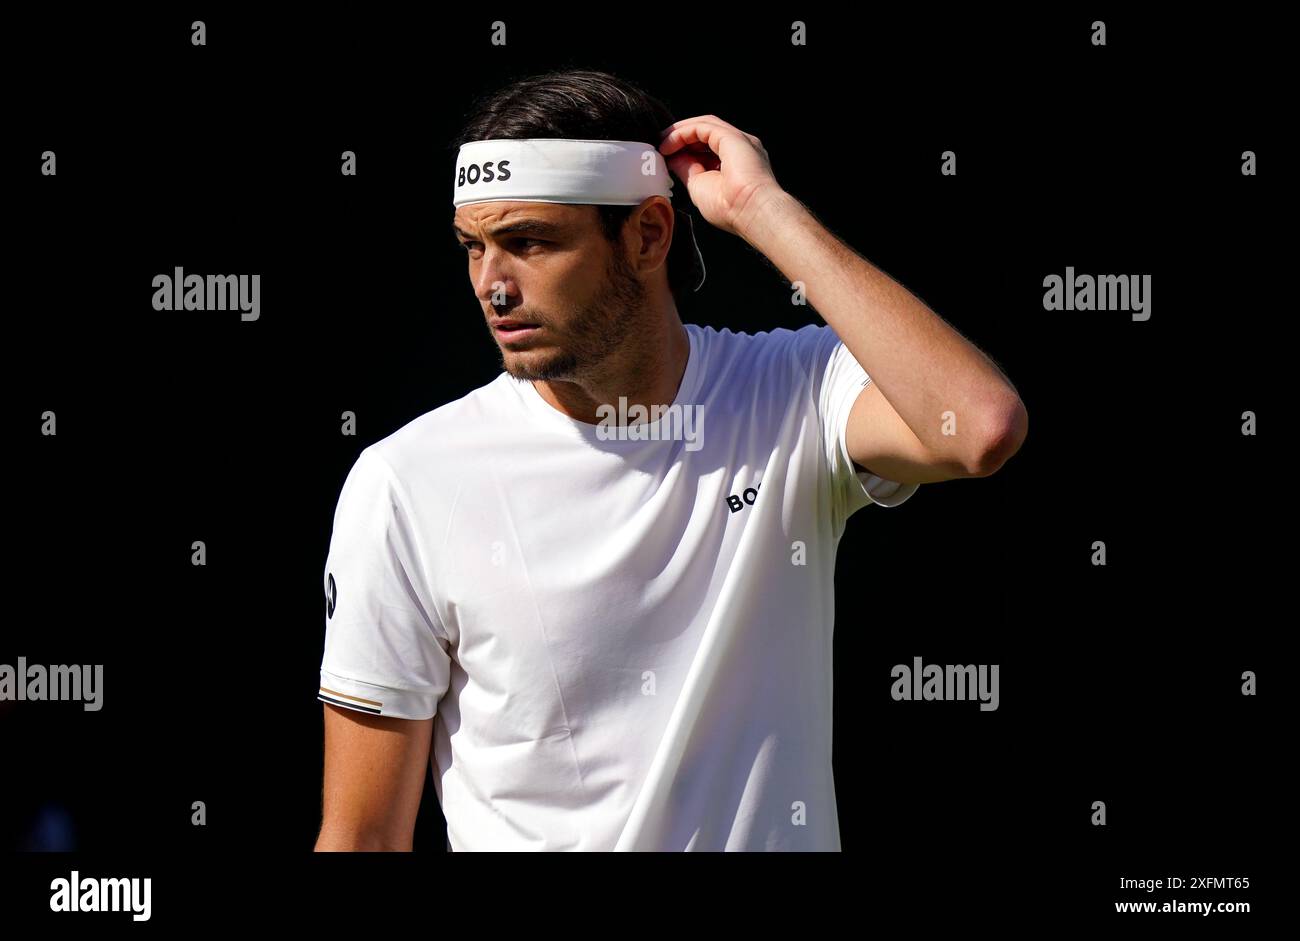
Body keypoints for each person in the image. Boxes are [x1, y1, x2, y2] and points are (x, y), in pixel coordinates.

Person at [313, 69, 1027, 851]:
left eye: (529, 242)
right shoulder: (404, 481)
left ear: (649, 234)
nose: (493, 285)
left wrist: (764, 211)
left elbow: (981, 426)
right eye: (473, 246)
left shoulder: (792, 390)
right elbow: (361, 837)